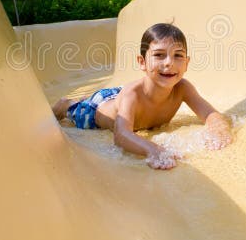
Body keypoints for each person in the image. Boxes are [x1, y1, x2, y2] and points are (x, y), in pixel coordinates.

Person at [52, 23, 233, 170]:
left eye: (178, 55)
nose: (169, 63)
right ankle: (67, 103)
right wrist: (153, 150)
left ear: (187, 63)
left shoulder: (183, 88)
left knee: (123, 95)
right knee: (75, 111)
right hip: (97, 109)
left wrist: (219, 128)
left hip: (121, 95)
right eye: (159, 55)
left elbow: (210, 114)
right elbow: (121, 135)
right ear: (142, 62)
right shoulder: (132, 95)